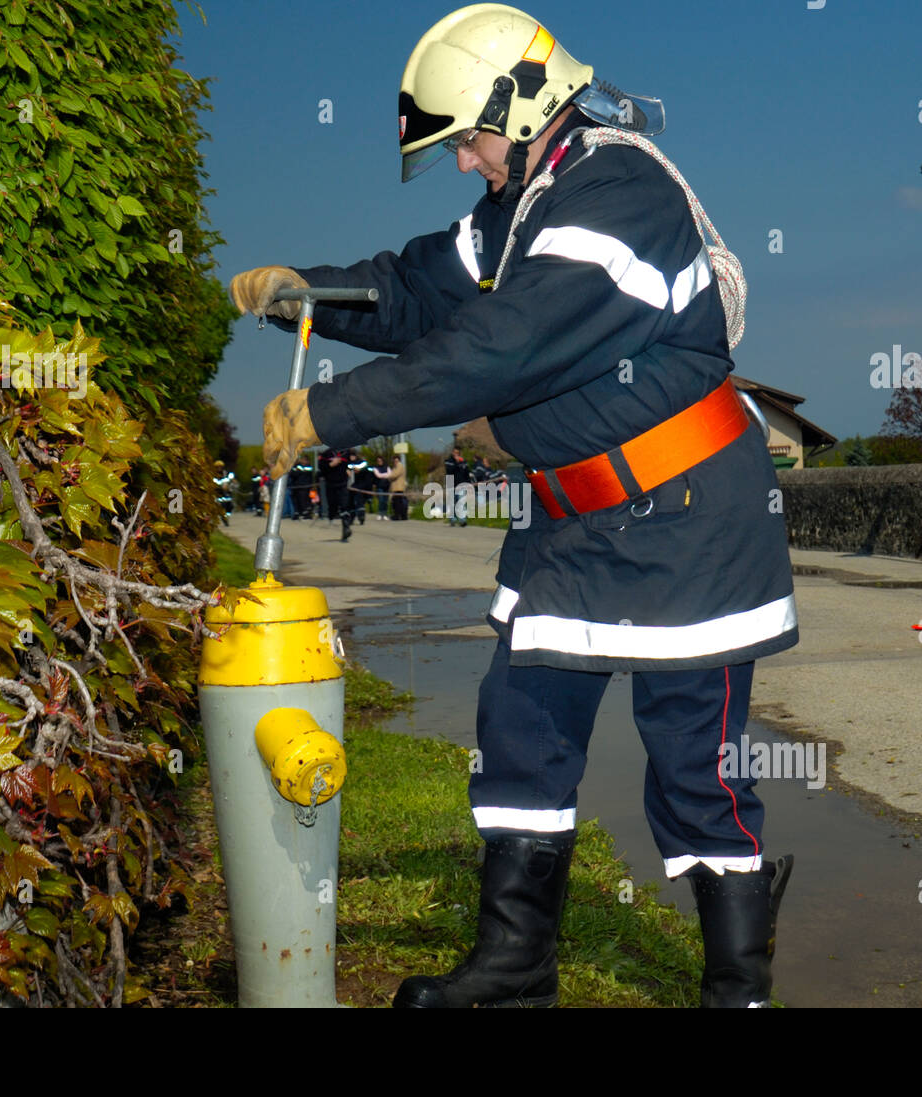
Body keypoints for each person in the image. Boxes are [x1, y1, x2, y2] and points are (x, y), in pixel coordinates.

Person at [232, 3, 797, 1009]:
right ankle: (514, 963)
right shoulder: (520, 204)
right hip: (571, 528)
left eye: (470, 139)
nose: (464, 162)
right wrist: (305, 290)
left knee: (692, 761)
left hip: (690, 517)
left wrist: (330, 411)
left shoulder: (614, 192)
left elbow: (495, 348)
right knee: (520, 726)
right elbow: (417, 291)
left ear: (525, 106)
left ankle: (736, 985)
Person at [319, 447, 355, 542]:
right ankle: (332, 515)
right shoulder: (326, 454)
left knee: (344, 505)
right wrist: (331, 464)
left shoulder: (346, 453)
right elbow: (321, 467)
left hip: (342, 484)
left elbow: (350, 465)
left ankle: (346, 529)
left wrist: (348, 469)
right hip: (330, 484)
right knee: (333, 504)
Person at [444, 446, 471, 526]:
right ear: (452, 453)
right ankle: (453, 519)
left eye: (457, 453)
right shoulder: (448, 461)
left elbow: (467, 473)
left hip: (461, 485)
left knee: (461, 502)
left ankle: (462, 520)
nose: (456, 454)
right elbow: (449, 470)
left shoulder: (464, 462)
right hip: (451, 485)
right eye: (455, 453)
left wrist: (468, 483)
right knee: (452, 503)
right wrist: (456, 462)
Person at [212, 460, 236, 526]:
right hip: (218, 493)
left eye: (220, 467)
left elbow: (231, 481)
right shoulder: (213, 475)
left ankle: (227, 516)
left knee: (230, 506)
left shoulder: (226, 474)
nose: (219, 468)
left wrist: (229, 484)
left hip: (227, 493)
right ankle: (224, 518)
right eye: (217, 467)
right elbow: (213, 484)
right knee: (222, 506)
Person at [387, 454, 408, 521]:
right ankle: (400, 515)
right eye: (394, 460)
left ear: (398, 460)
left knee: (398, 502)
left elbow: (394, 474)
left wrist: (389, 476)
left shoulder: (399, 466)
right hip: (396, 487)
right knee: (396, 502)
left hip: (399, 487)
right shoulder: (395, 466)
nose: (395, 462)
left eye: (396, 460)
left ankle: (398, 515)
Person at [371, 454, 392, 519]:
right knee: (381, 500)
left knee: (385, 501)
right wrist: (385, 475)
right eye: (378, 461)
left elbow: (390, 474)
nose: (379, 462)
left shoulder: (387, 467)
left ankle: (385, 514)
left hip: (386, 486)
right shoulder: (375, 468)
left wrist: (383, 475)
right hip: (379, 486)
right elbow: (378, 475)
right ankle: (380, 513)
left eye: (380, 460)